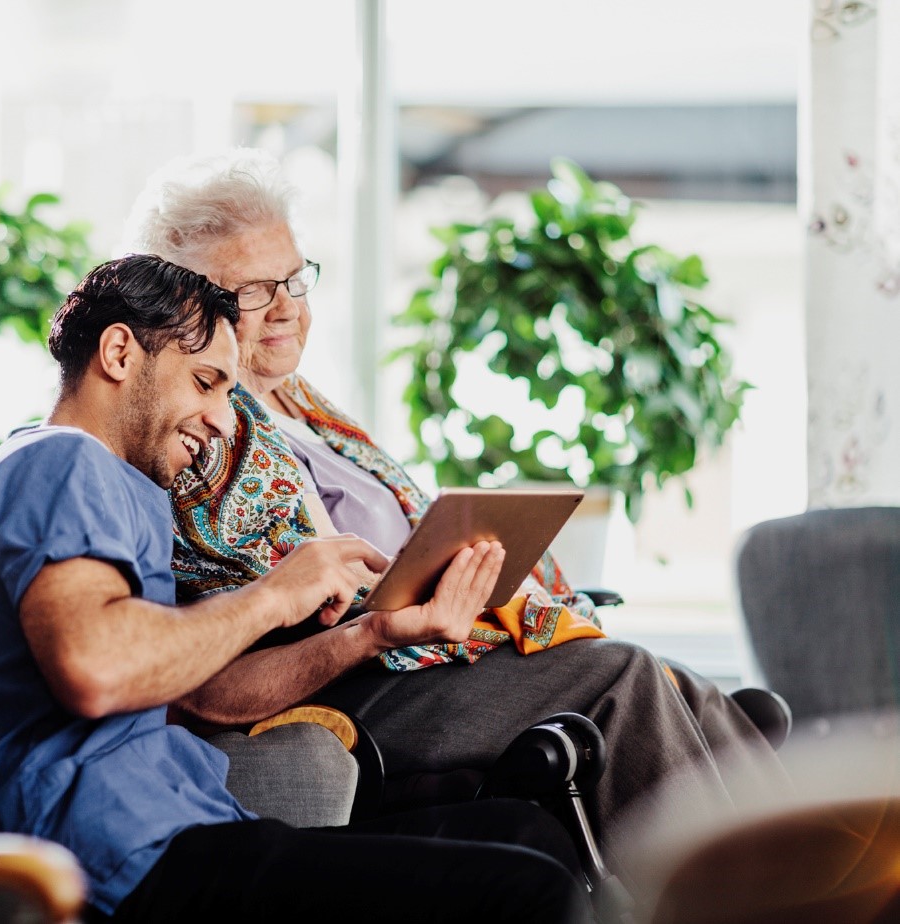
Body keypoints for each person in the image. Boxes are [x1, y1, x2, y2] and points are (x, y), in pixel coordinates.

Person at [128, 148, 789, 869]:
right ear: (186, 304)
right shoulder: (202, 428)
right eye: (255, 290)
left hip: (435, 653)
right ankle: (757, 888)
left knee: (676, 684)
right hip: (366, 682)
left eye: (293, 278)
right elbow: (242, 631)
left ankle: (815, 876)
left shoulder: (302, 403)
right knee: (625, 677)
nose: (287, 306)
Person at [0, 253, 591, 923]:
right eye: (206, 381)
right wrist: (273, 594)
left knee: (525, 832)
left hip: (179, 832)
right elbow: (96, 670)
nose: (220, 418)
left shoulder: (127, 494)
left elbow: (200, 695)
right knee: (530, 888)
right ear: (119, 352)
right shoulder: (55, 461)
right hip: (110, 863)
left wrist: (372, 632)